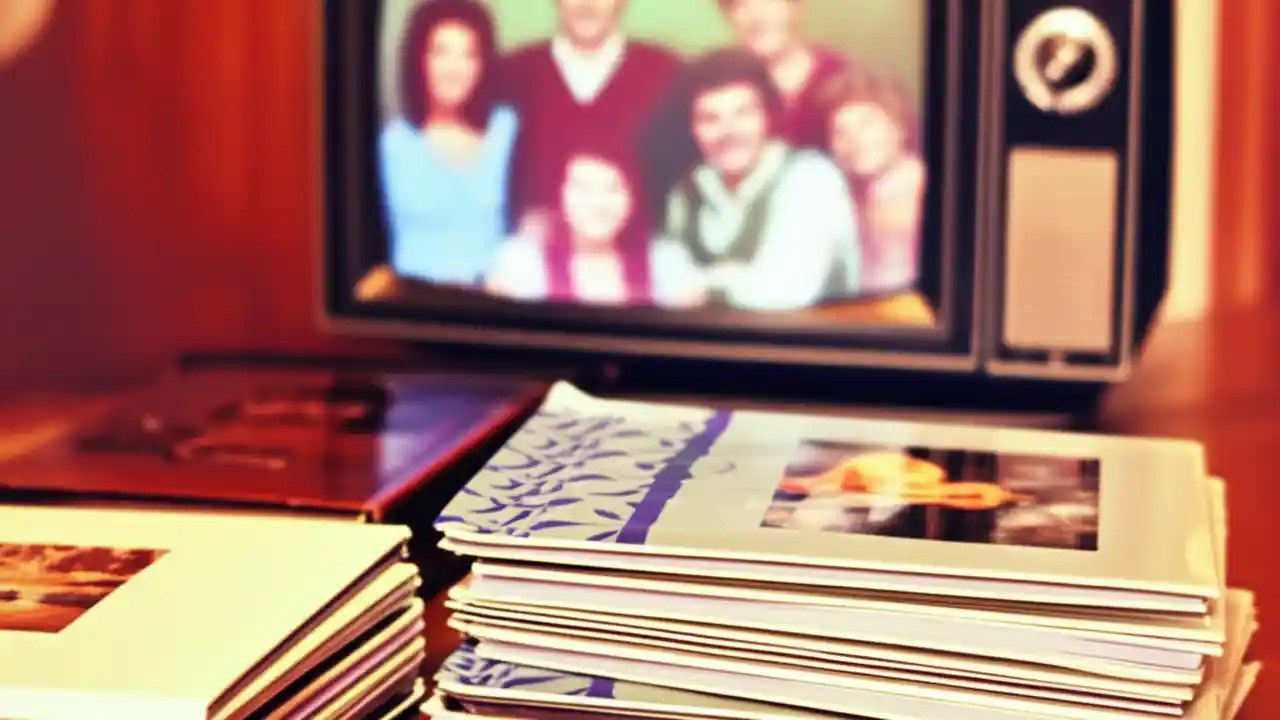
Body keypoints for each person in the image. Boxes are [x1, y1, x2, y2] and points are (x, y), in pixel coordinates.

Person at [653, 50, 860, 312]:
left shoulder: (811, 177)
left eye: (743, 113)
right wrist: (735, 278)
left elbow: (787, 291)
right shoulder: (687, 190)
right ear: (692, 127)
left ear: (766, 117)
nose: (729, 131)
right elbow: (667, 290)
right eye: (710, 119)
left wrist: (706, 285)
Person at [500, 0, 680, 230]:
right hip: (533, 255)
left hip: (640, 255)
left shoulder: (665, 73)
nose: (587, 3)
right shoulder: (513, 74)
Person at [379, 0, 518, 285]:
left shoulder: (506, 130)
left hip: (496, 306)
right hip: (413, 304)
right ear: (419, 59)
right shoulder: (392, 146)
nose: (454, 68)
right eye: (440, 53)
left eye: (469, 55)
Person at [487, 142, 652, 306]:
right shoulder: (520, 262)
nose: (598, 204)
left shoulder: (664, 264)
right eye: (583, 188)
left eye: (612, 189)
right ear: (560, 195)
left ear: (632, 198)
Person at [820, 69, 926, 295]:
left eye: (866, 124)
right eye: (840, 132)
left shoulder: (928, 192)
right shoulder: (847, 202)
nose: (854, 140)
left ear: (899, 127)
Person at [717, 0, 848, 150]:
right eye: (741, 4)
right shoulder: (724, 90)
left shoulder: (840, 76)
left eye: (767, 2)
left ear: (795, 7)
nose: (756, 16)